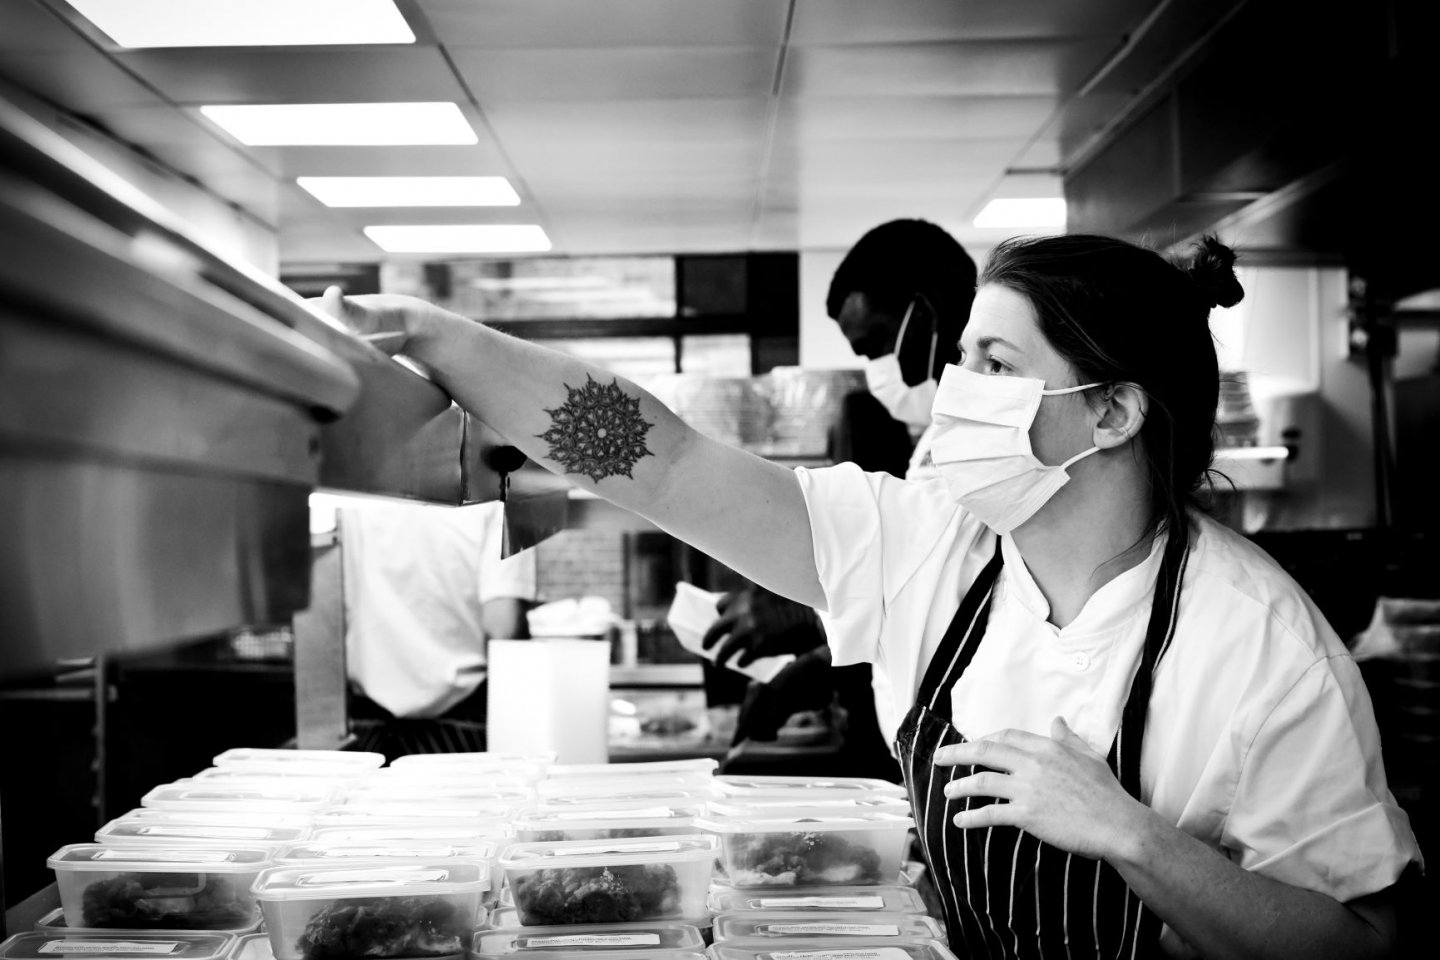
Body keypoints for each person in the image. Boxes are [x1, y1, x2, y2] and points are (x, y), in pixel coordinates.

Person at [317, 232, 1421, 959]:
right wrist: (439, 338)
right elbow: (657, 460)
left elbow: (1362, 942)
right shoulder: (925, 547)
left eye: (994, 364)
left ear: (1114, 414)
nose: (955, 394)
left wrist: (1134, 839)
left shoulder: (1265, 649)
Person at [702, 219, 978, 775]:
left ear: (922, 315)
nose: (874, 371)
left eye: (875, 345)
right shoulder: (935, 437)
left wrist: (803, 615)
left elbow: (953, 575)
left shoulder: (990, 443)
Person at [338, 499, 538, 759]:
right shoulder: (501, 493)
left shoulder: (353, 495)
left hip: (369, 724)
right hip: (458, 723)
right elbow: (502, 626)